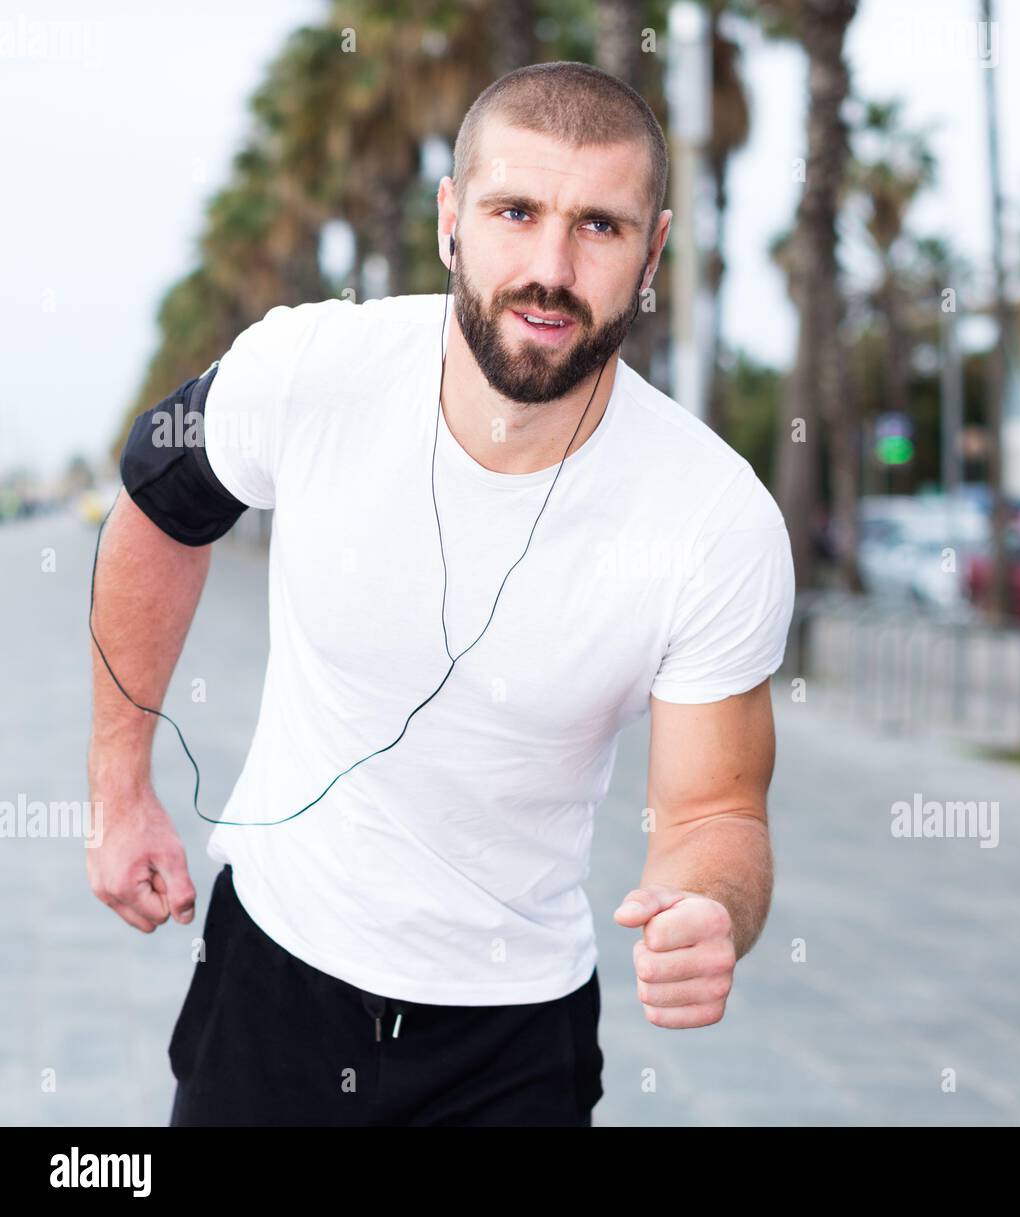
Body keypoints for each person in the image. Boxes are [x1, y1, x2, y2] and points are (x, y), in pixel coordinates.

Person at [87, 61, 795, 1127]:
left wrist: (709, 905)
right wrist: (119, 788)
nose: (551, 270)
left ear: (652, 253)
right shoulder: (312, 367)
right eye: (516, 213)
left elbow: (716, 810)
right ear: (450, 219)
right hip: (273, 976)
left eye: (599, 227)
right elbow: (156, 505)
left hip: (513, 1032)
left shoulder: (714, 518)